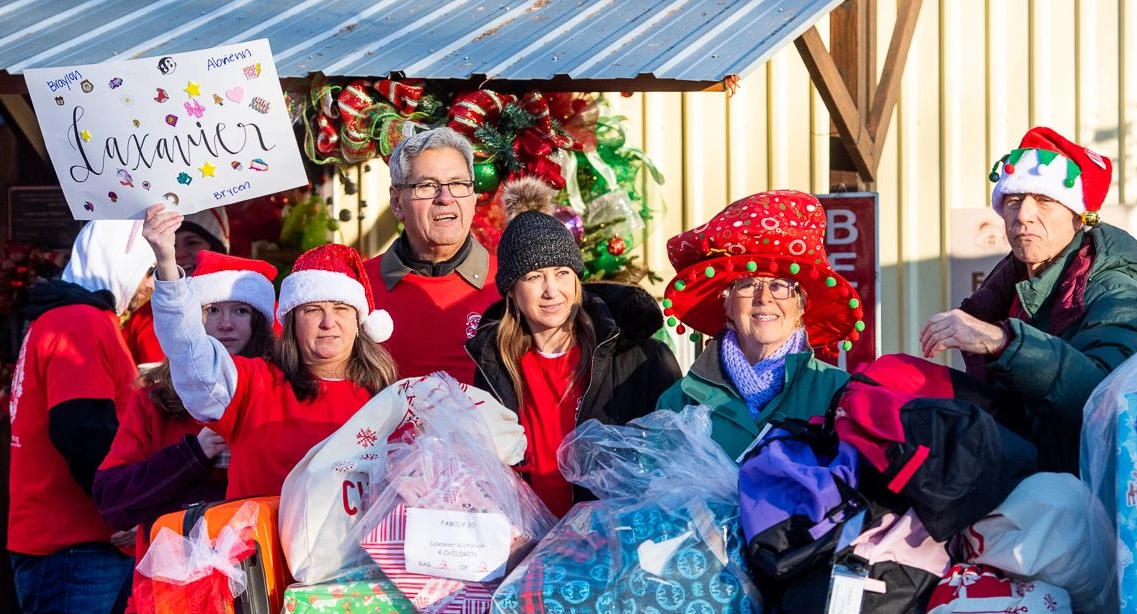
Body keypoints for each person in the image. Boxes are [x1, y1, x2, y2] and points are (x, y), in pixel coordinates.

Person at [0, 221, 153, 614]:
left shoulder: (61, 319)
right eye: (141, 269)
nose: (144, 287)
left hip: (60, 538)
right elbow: (81, 427)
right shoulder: (82, 322)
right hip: (74, 543)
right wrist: (122, 511)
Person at [919, 127, 1137, 473]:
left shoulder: (1117, 293)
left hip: (1081, 502)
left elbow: (1105, 402)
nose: (1024, 215)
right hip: (1016, 491)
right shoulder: (1005, 294)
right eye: (1013, 201)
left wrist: (1004, 342)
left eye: (1044, 200)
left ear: (1078, 216)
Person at [92, 251, 278, 614]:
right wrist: (193, 455)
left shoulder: (282, 389)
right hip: (168, 607)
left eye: (241, 311)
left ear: (263, 322)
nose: (226, 324)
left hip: (263, 600)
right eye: (212, 310)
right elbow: (112, 499)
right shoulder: (155, 399)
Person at [143, 204, 397, 497]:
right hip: (263, 542)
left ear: (358, 321)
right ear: (291, 323)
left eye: (341, 308)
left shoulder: (385, 396)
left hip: (357, 543)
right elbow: (188, 352)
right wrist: (165, 260)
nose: (329, 322)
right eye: (312, 310)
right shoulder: (253, 383)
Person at [467, 178, 681, 516]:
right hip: (527, 548)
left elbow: (673, 462)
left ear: (577, 279)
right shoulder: (494, 365)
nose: (552, 290)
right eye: (534, 277)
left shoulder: (642, 358)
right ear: (511, 291)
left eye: (562, 273)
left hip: (612, 546)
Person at [656, 190, 865, 461]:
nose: (764, 297)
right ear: (727, 307)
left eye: (780, 286)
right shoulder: (680, 401)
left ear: (801, 308)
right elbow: (657, 491)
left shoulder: (838, 392)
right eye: (747, 285)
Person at [363, 127, 501, 383]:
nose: (445, 198)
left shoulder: (510, 284)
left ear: (473, 197)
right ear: (396, 203)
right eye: (427, 186)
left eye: (458, 184)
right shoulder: (359, 287)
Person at [122, 207, 230, 367]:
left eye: (192, 243)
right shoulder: (144, 318)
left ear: (217, 248)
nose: (179, 254)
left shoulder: (252, 307)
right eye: (171, 244)